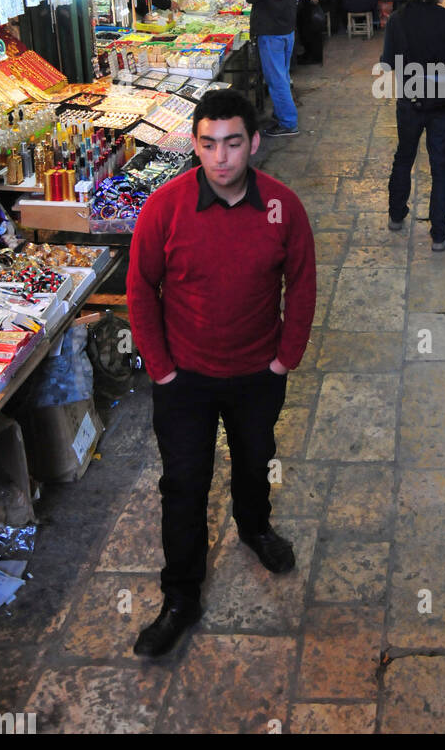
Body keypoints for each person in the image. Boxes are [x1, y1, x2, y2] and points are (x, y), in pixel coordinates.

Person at [127, 88, 316, 657]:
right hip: (184, 380)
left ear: (254, 144)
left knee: (255, 459)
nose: (221, 158)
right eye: (208, 145)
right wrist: (160, 370)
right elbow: (140, 288)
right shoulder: (165, 207)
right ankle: (181, 596)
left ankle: (254, 526)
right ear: (195, 146)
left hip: (258, 372)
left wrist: (286, 357)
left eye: (233, 143)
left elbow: (301, 283)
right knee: (183, 486)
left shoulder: (283, 207)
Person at [381, 0, 445, 250]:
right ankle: (439, 232)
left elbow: (389, 62)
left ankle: (395, 214)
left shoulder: (397, 18)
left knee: (404, 156)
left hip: (409, 99)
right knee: (440, 164)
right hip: (440, 102)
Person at [244, 0, 299, 138]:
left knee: (276, 79)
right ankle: (282, 113)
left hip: (272, 33)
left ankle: (287, 122)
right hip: (286, 30)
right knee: (282, 75)